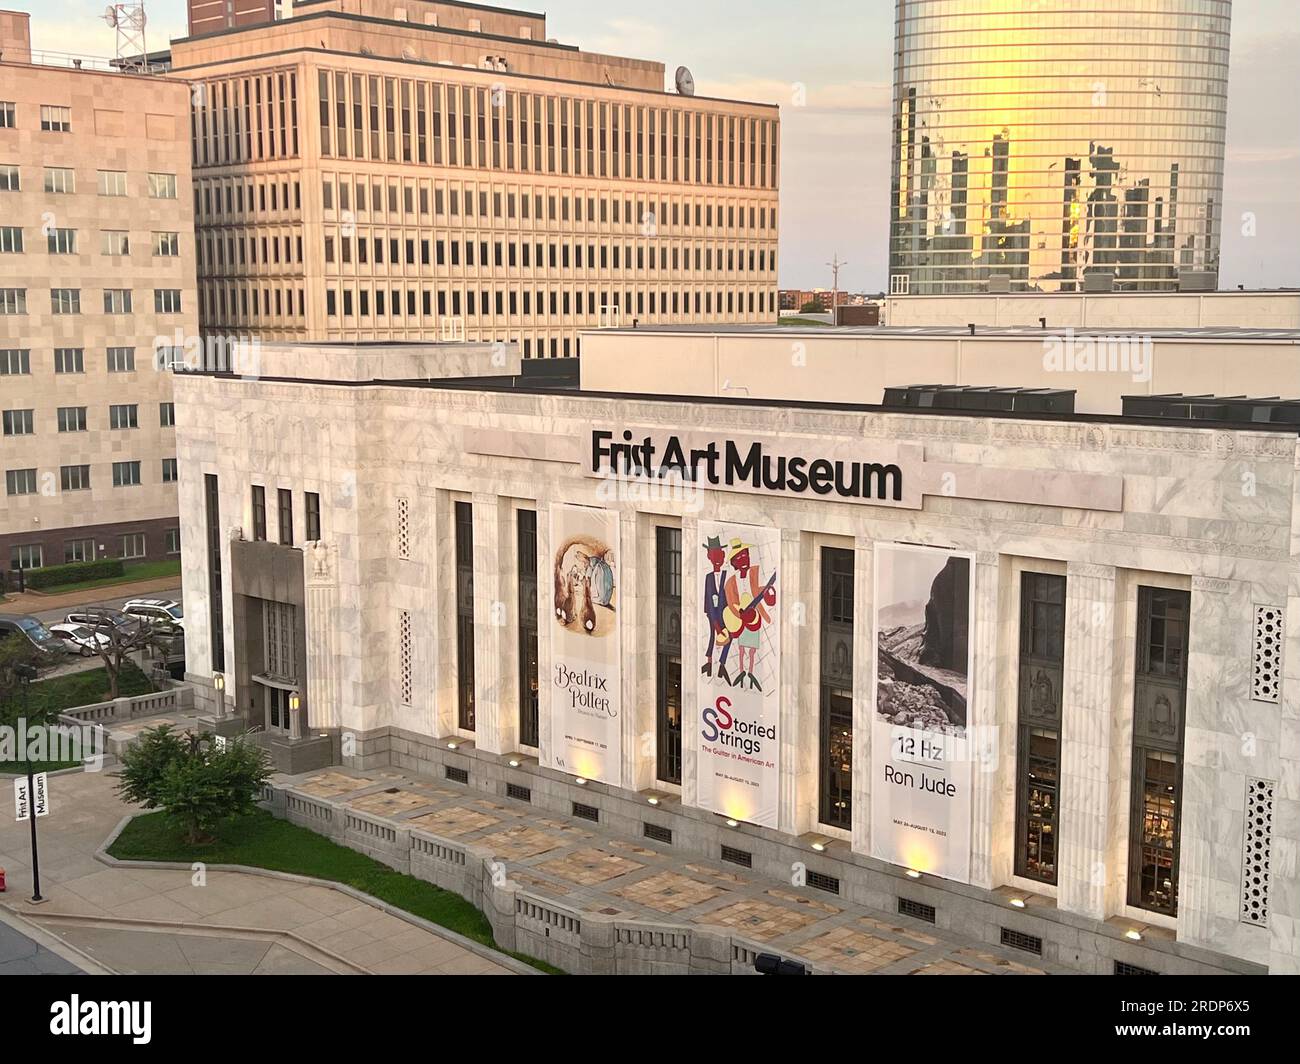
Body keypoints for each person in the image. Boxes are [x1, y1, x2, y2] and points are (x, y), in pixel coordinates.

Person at [724, 538, 776, 691]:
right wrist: (739, 614)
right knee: (742, 647)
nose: (744, 559)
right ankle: (741, 671)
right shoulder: (731, 581)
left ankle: (751, 673)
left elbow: (760, 590)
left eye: (745, 555)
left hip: (754, 618)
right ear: (734, 562)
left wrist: (769, 594)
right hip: (741, 619)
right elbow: (731, 602)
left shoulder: (755, 572)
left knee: (753, 647)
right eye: (739, 557)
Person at [701, 536, 732, 683]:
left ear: (724, 555)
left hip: (726, 613)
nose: (717, 558)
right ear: (709, 557)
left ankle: (722, 664)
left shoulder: (727, 575)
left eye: (719, 554)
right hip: (712, 613)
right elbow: (708, 597)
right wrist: (714, 622)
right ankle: (709, 662)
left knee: (729, 636)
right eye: (714, 555)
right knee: (713, 635)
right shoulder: (708, 577)